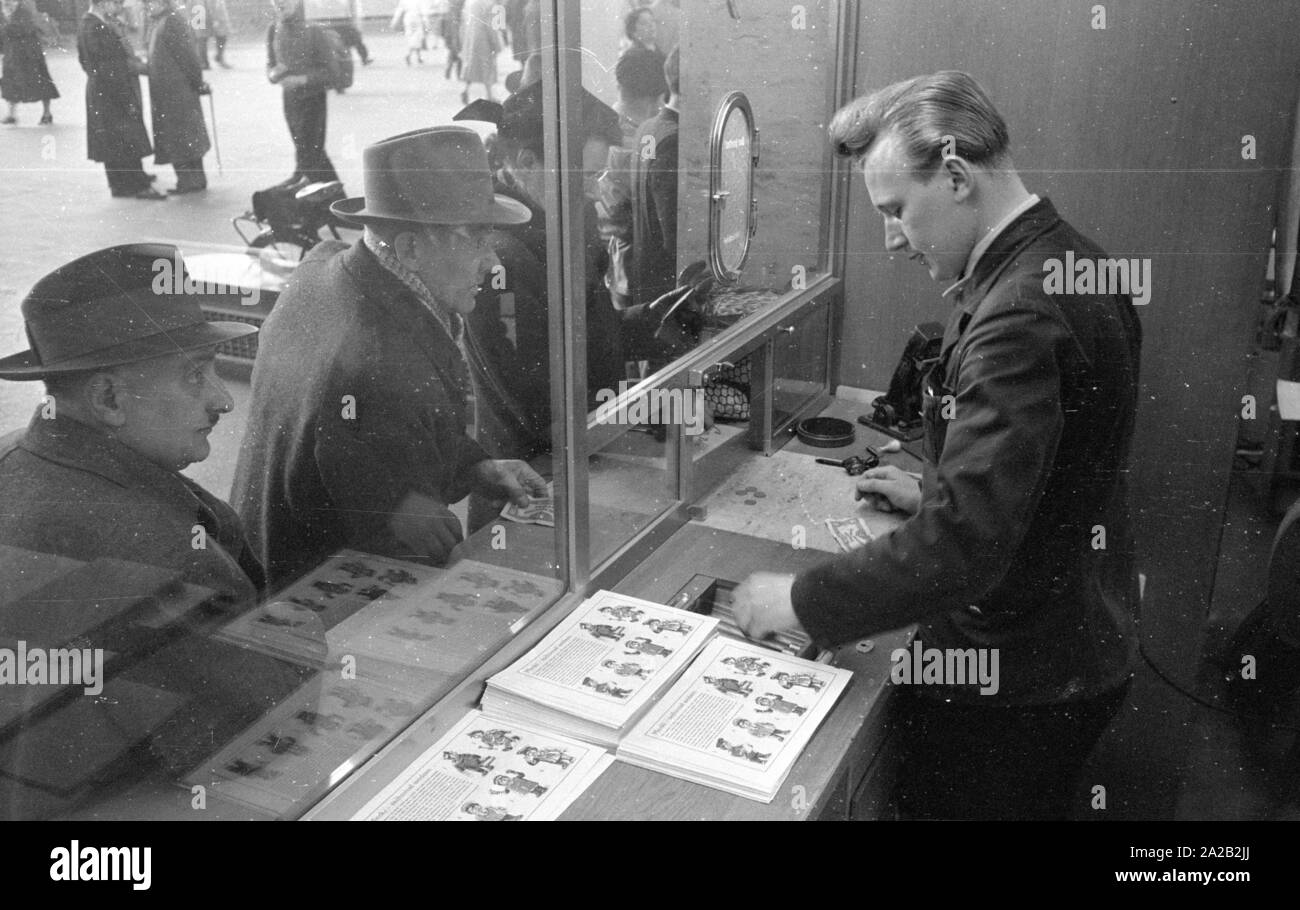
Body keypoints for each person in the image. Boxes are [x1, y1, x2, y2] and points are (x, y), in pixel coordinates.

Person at [731, 71, 1142, 820]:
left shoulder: (1017, 314)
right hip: (1075, 638)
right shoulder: (1073, 259)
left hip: (1018, 680)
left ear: (954, 175)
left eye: (895, 211)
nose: (891, 239)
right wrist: (936, 488)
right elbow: (1063, 465)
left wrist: (798, 600)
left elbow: (964, 548)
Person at [231, 126, 546, 591]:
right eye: (476, 240)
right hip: (314, 596)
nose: (492, 262)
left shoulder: (325, 265)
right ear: (410, 249)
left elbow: (376, 444)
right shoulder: (384, 365)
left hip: (263, 558)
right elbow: (405, 553)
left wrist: (478, 467)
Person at [0, 244, 263, 606]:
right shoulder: (173, 554)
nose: (225, 401)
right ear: (108, 398)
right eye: (194, 374)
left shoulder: (12, 455)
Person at [461, 83, 626, 470]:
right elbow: (536, 402)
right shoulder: (498, 257)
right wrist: (647, 409)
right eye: (582, 174)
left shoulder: (568, 217)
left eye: (598, 174)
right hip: (533, 481)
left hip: (589, 450)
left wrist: (653, 318)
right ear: (527, 162)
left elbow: (592, 330)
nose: (595, 192)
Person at [77, 0, 166, 199]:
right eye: (115, 2)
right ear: (102, 3)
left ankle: (127, 182)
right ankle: (133, 186)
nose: (118, 6)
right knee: (122, 139)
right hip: (111, 90)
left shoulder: (91, 23)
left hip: (103, 89)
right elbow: (109, 65)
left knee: (117, 139)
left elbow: (84, 60)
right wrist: (122, 90)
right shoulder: (95, 26)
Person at [266, 0, 338, 186]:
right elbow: (271, 66)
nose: (279, 4)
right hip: (290, 98)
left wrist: (301, 79)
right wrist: (275, 75)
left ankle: (319, 191)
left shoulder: (314, 30)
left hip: (313, 98)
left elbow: (332, 72)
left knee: (311, 150)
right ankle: (324, 191)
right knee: (305, 147)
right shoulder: (273, 29)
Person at [143, 0, 210, 194]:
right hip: (169, 93)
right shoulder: (163, 20)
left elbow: (188, 57)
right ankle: (193, 180)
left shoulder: (171, 21)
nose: (149, 7)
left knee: (180, 137)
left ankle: (190, 182)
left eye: (152, 3)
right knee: (183, 137)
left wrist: (197, 82)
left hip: (176, 93)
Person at [629, 45, 678, 308]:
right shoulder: (675, 140)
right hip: (666, 293)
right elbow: (674, 237)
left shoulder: (648, 126)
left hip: (647, 281)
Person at [1, 0, 59, 125]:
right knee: (10, 83)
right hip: (11, 55)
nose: (6, 4)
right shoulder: (5, 12)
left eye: (9, 2)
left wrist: (6, 24)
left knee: (41, 83)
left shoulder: (24, 11)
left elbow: (24, 29)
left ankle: (47, 113)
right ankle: (11, 114)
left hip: (30, 55)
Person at [458, 0, 498, 103]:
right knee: (487, 66)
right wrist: (495, 42)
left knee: (471, 66)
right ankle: (489, 96)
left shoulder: (469, 2)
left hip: (470, 37)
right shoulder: (488, 3)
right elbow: (490, 25)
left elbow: (463, 21)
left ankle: (465, 90)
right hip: (483, 39)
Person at [390, 0, 424, 66]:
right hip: (417, 18)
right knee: (418, 37)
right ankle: (409, 55)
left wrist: (394, 21)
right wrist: (426, 21)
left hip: (408, 18)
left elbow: (399, 10)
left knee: (411, 37)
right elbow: (423, 10)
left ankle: (419, 56)